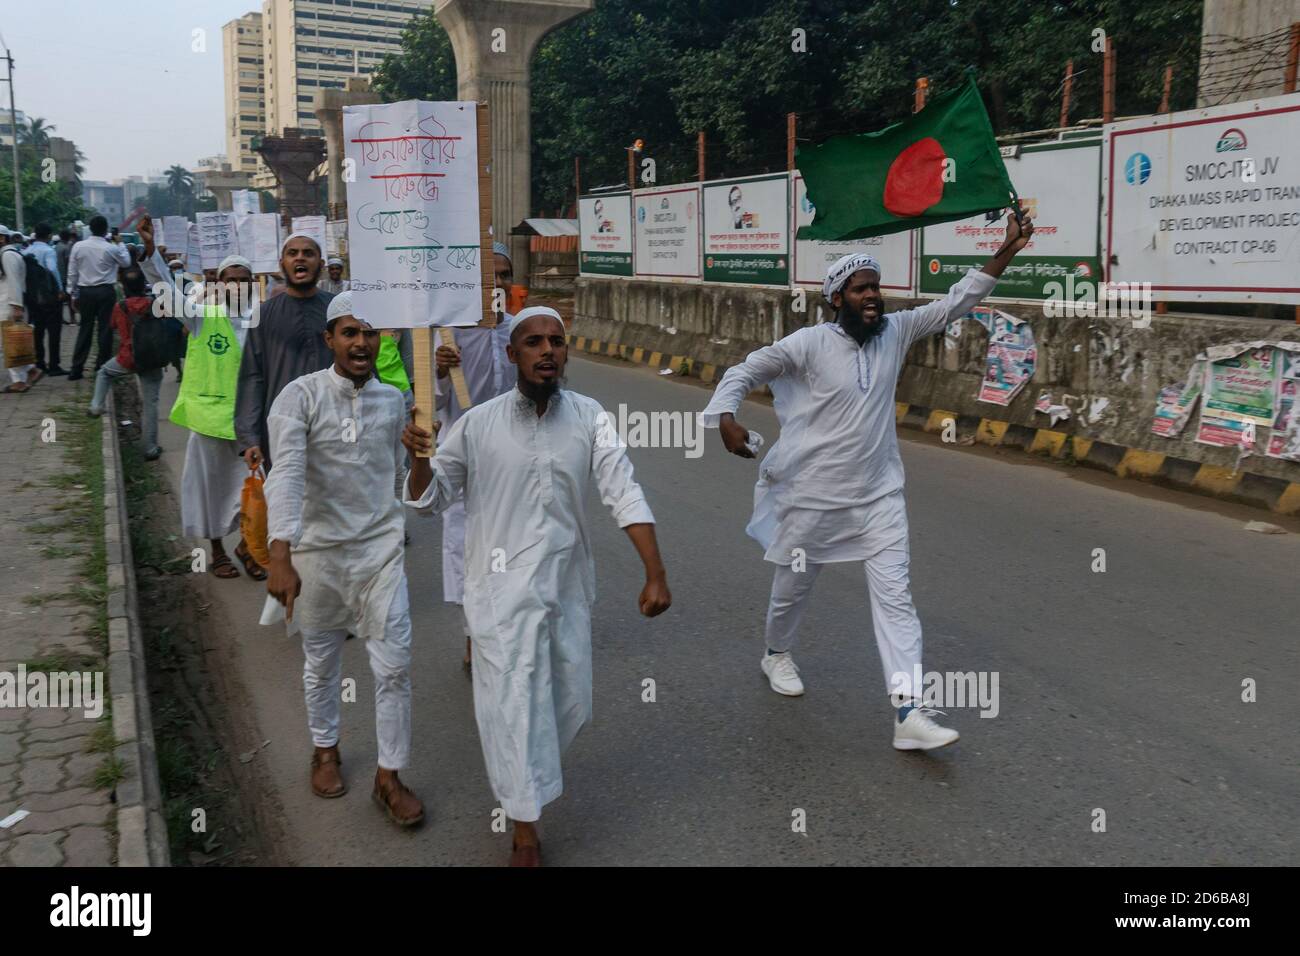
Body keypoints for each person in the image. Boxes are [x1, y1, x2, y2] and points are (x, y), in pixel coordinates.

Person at [702, 213, 1035, 751]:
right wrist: (725, 417)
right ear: (838, 298)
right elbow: (744, 369)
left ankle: (908, 711)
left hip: (879, 496)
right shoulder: (809, 344)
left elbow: (956, 303)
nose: (872, 296)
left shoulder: (895, 332)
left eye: (876, 286)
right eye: (860, 289)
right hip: (811, 498)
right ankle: (776, 654)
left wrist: (1006, 251)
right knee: (792, 589)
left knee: (896, 598)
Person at [403, 306, 672, 866]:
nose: (547, 350)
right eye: (533, 342)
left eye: (556, 341)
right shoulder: (477, 424)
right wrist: (418, 459)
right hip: (499, 596)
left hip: (567, 587)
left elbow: (623, 490)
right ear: (511, 355)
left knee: (570, 701)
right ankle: (525, 828)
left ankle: (528, 781)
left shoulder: (590, 416)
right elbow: (429, 501)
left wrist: (655, 571)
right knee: (516, 702)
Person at [264, 292, 424, 828]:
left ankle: (390, 775)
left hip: (380, 552)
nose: (361, 343)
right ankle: (325, 749)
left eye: (370, 334)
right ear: (329, 339)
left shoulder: (395, 400)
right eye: (350, 333)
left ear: (382, 342)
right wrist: (279, 552)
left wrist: (420, 452)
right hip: (317, 554)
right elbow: (284, 473)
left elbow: (412, 476)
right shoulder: (298, 397)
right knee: (322, 663)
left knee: (395, 667)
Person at [140, 216, 264, 581]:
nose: (238, 285)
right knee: (212, 490)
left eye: (245, 280)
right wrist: (151, 256)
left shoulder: (263, 320)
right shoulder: (201, 316)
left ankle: (249, 547)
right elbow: (166, 290)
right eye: (232, 279)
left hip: (250, 426)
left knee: (255, 490)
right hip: (210, 420)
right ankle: (218, 553)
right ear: (219, 284)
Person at [431, 239, 516, 669]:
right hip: (464, 462)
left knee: (513, 549)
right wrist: (441, 371)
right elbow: (434, 402)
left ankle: (507, 629)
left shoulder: (521, 330)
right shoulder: (450, 333)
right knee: (467, 550)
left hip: (513, 463)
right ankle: (472, 635)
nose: (497, 282)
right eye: (490, 276)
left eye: (504, 275)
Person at [234, 234, 334, 472]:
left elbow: (361, 363)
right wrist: (250, 438)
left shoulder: (337, 310)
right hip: (282, 428)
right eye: (293, 253)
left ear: (321, 265)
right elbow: (252, 377)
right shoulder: (264, 315)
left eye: (308, 253)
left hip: (336, 425)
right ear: (282, 265)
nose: (300, 257)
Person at [87, 264, 164, 458]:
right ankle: (150, 448)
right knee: (150, 404)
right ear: (143, 284)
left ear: (124, 286)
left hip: (127, 357)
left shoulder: (119, 307)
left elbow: (113, 326)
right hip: (153, 358)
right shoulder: (154, 304)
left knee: (104, 373)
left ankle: (96, 406)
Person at [67, 215, 131, 381]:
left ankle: (76, 368)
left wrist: (72, 293)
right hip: (105, 291)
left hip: (85, 291)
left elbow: (72, 272)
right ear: (106, 230)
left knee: (85, 328)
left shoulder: (78, 247)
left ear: (90, 229)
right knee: (105, 329)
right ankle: (101, 366)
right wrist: (120, 242)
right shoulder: (111, 248)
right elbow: (126, 262)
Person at [0, 227, 39, 393]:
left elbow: (15, 282)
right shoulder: (8, 254)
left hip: (9, 304)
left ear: (2, 238)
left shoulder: (8, 255)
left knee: (9, 343)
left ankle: (20, 381)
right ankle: (30, 370)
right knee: (10, 342)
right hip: (7, 303)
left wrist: (16, 306)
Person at [26, 223, 67, 376]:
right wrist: (60, 289)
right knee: (54, 331)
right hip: (49, 297)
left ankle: (40, 363)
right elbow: (52, 269)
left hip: (33, 297)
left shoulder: (27, 251)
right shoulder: (48, 251)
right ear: (49, 236)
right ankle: (54, 365)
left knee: (38, 330)